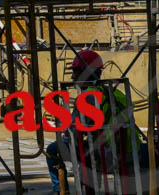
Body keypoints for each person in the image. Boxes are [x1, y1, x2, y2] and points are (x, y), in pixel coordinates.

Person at [45, 49, 146, 194]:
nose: (73, 77)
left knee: (53, 151)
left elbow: (73, 134)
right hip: (131, 153)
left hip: (107, 155)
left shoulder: (86, 98)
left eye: (75, 72)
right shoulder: (118, 93)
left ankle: (60, 191)